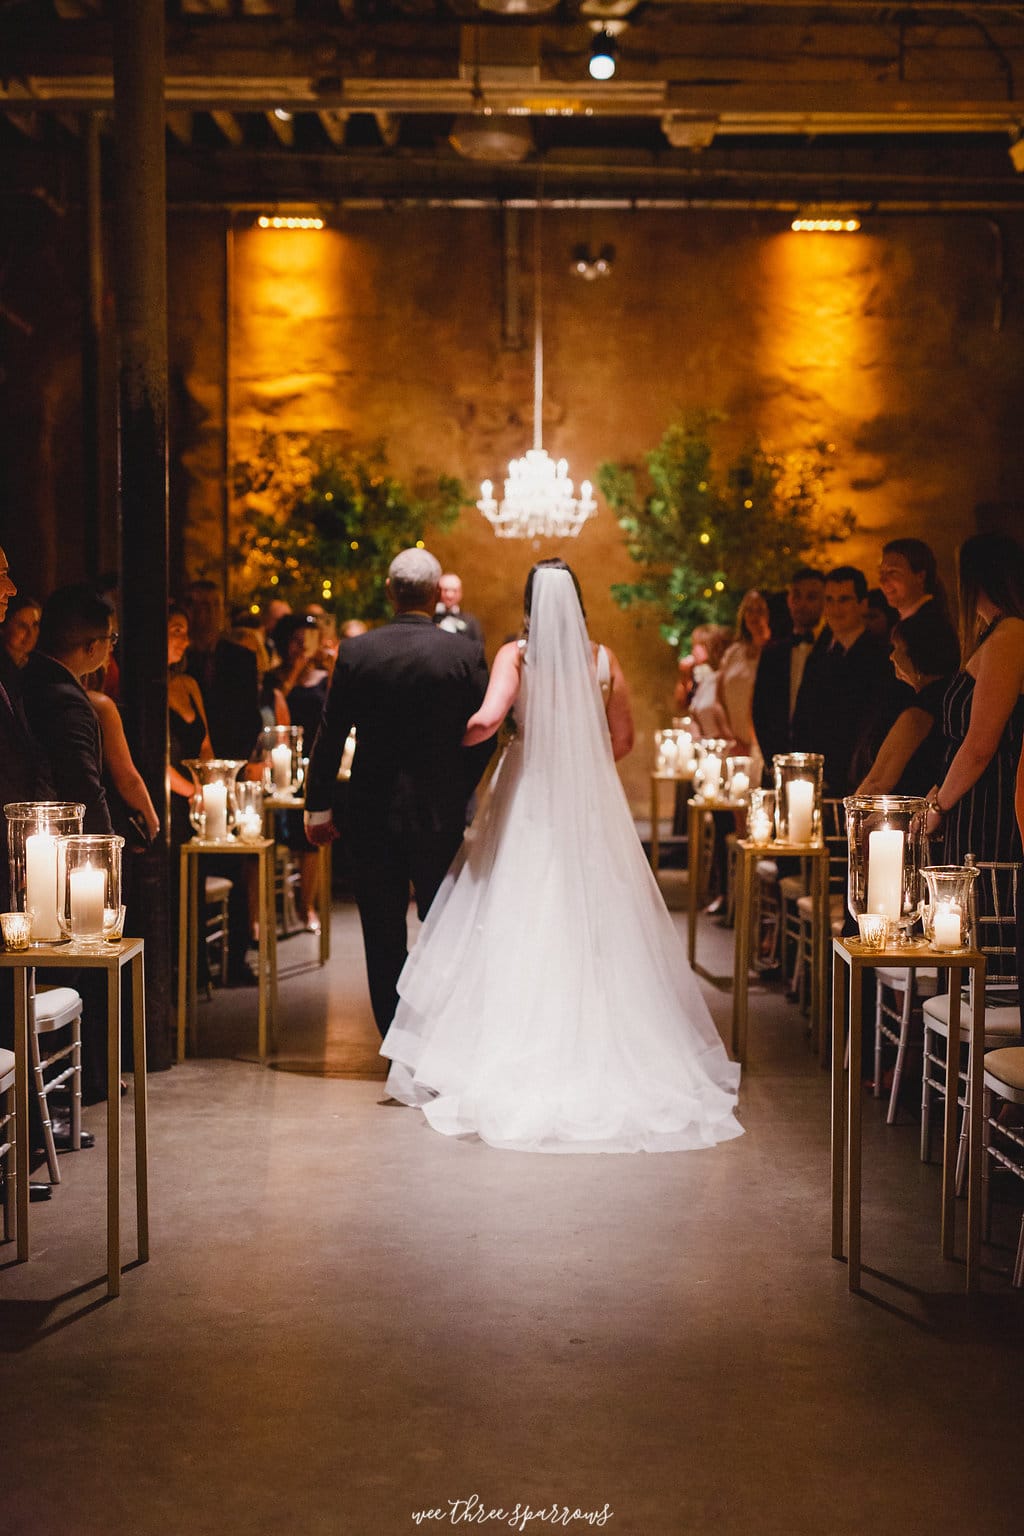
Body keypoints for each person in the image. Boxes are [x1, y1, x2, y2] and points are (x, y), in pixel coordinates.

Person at [379, 559, 743, 1155]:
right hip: (585, 799)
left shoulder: (515, 657)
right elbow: (622, 740)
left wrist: (444, 738)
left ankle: (505, 1041)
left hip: (526, 797)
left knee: (514, 908)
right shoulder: (603, 661)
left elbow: (487, 720)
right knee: (596, 913)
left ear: (528, 602)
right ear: (576, 602)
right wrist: (581, 759)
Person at [304, 548, 492, 1034]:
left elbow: (331, 733)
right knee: (444, 925)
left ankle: (394, 1036)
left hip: (371, 808)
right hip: (439, 811)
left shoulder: (358, 651)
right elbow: (484, 732)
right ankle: (440, 1033)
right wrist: (458, 781)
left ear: (390, 592)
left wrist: (318, 806)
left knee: (382, 932)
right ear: (436, 596)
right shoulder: (464, 653)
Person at [926, 532, 1024, 865]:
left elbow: (982, 743)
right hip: (970, 798)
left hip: (990, 804)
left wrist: (940, 805)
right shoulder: (995, 634)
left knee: (982, 909)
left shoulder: (1010, 634)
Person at [790, 565, 905, 797]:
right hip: (815, 780)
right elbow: (804, 712)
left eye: (844, 600)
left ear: (862, 604)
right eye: (829, 600)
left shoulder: (880, 655)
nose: (835, 608)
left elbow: (874, 721)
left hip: (856, 780)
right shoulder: (820, 652)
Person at [20, 584, 115, 833]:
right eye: (111, 638)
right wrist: (102, 847)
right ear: (92, 646)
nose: (111, 648)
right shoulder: (68, 702)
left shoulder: (28, 676)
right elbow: (83, 785)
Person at [265, 612, 330, 930]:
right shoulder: (274, 678)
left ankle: (308, 907)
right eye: (295, 640)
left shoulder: (324, 677)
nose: (301, 646)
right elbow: (275, 708)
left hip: (314, 762)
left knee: (309, 840)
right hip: (280, 763)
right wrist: (293, 672)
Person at [854, 603, 961, 796]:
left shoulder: (920, 711)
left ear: (920, 654)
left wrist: (852, 819)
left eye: (898, 648)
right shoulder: (952, 695)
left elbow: (877, 783)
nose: (892, 657)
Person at [751, 567, 826, 785]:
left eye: (811, 597)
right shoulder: (773, 652)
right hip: (777, 766)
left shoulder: (832, 652)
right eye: (797, 596)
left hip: (821, 770)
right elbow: (760, 710)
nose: (802, 604)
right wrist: (771, 761)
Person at [183, 579, 262, 762]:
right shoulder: (180, 659)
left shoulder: (242, 658)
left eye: (215, 604)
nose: (210, 612)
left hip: (233, 756)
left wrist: (236, 762)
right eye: (203, 605)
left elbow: (250, 716)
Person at [715, 589, 772, 782]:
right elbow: (719, 697)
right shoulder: (734, 653)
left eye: (760, 610)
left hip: (760, 744)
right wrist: (732, 737)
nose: (754, 616)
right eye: (749, 610)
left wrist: (752, 742)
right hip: (733, 741)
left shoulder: (775, 653)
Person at [877, 537, 949, 622]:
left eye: (893, 572)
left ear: (920, 576)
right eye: (881, 573)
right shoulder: (917, 621)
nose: (882, 581)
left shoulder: (925, 626)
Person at [434, 571, 484, 650]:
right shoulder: (429, 618)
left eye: (454, 590)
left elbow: (478, 649)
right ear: (437, 591)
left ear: (460, 593)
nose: (449, 595)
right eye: (445, 590)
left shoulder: (471, 621)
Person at [0, 592, 42, 672]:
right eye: (22, 626)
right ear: (3, 628)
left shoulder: (39, 666)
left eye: (35, 625)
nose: (31, 633)